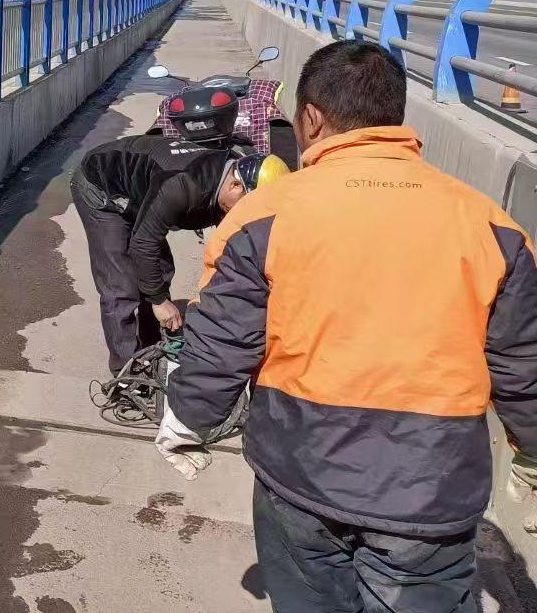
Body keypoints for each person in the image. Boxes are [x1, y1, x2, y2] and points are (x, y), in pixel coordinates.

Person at [156, 40, 537, 612]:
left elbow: (224, 338)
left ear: (311, 119)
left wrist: (188, 418)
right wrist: (532, 450)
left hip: (299, 472)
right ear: (393, 115)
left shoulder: (264, 215)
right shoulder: (488, 225)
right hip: (430, 485)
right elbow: (523, 359)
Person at [73, 132, 285, 378]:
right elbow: (144, 243)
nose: (245, 214)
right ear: (235, 185)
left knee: (160, 270)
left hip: (141, 189)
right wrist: (159, 301)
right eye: (246, 205)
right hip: (100, 184)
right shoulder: (183, 185)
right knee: (121, 285)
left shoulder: (232, 179)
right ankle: (127, 374)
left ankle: (151, 348)